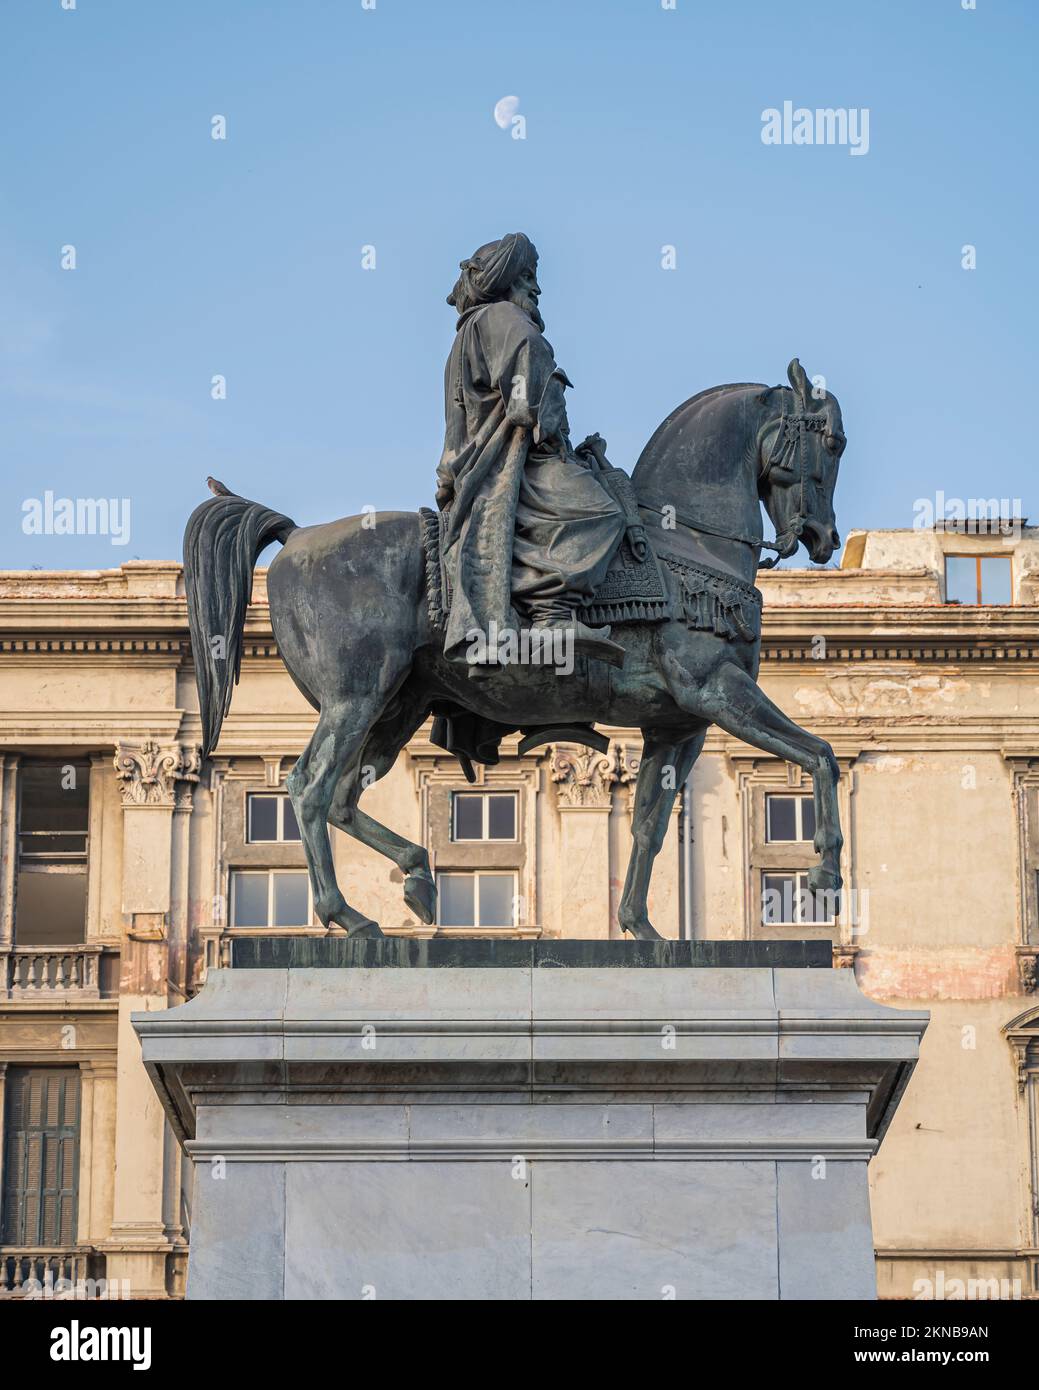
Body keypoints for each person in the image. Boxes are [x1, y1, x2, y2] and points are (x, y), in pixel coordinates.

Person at [435, 233, 626, 673]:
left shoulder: (469, 332)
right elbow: (529, 405)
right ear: (507, 280)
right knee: (602, 511)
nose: (536, 289)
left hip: (472, 466)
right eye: (528, 276)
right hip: (512, 463)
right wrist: (563, 439)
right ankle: (552, 615)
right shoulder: (505, 320)